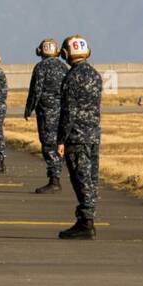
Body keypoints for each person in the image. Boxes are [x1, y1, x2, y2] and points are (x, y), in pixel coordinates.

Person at [57, 35, 102, 239]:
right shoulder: (95, 75)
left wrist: (60, 139)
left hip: (76, 136)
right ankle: (88, 218)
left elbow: (69, 112)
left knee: (80, 178)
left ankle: (85, 222)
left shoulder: (71, 77)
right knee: (91, 178)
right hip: (93, 135)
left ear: (66, 54)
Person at [25, 38, 69, 193]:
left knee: (48, 145)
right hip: (62, 111)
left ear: (40, 51)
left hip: (46, 112)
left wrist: (28, 109)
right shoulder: (64, 67)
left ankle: (54, 180)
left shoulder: (40, 67)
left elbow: (35, 90)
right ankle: (57, 175)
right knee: (60, 143)